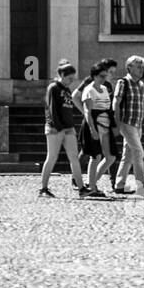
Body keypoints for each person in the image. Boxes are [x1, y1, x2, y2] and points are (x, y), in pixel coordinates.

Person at [41, 60, 87, 198]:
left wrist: (70, 125)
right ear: (61, 75)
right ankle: (43, 188)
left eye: (73, 79)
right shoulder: (53, 88)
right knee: (52, 157)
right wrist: (58, 127)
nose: (71, 81)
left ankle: (81, 188)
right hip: (55, 129)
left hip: (68, 128)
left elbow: (68, 109)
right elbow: (51, 109)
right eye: (69, 78)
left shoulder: (66, 90)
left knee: (74, 158)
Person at [112, 55, 144, 199]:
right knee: (138, 153)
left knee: (129, 155)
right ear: (129, 67)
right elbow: (116, 104)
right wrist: (117, 124)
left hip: (137, 125)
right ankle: (141, 186)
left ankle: (119, 185)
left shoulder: (141, 85)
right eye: (138, 66)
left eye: (142, 66)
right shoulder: (123, 82)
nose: (141, 69)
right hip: (127, 123)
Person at [74, 60, 118, 196]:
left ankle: (91, 183)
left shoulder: (105, 89)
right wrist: (92, 129)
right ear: (94, 76)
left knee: (110, 157)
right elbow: (88, 111)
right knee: (96, 156)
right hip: (94, 126)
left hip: (106, 126)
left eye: (105, 76)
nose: (104, 79)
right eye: (101, 76)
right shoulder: (89, 90)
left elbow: (108, 108)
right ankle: (92, 187)